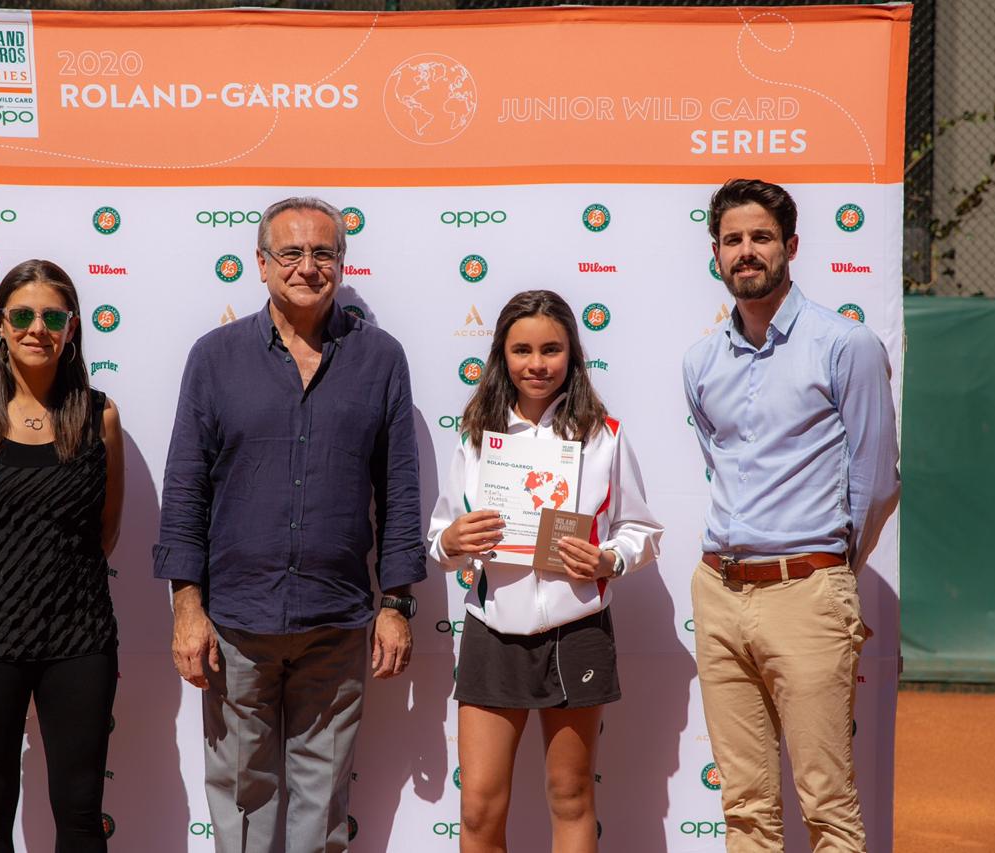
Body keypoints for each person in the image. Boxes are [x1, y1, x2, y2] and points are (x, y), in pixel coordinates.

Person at [153, 196, 427, 853]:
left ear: (341, 262)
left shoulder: (380, 359)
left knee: (322, 808)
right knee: (242, 800)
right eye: (292, 253)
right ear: (262, 264)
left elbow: (400, 489)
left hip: (335, 622)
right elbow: (186, 485)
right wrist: (186, 605)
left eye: (323, 252)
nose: (308, 266)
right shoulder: (214, 357)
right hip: (236, 624)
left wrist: (396, 603)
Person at [682, 178, 900, 851]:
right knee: (745, 805)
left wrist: (829, 571)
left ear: (791, 246)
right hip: (718, 593)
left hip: (807, 591)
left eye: (761, 237)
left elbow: (876, 482)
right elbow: (717, 466)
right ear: (716, 252)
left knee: (827, 803)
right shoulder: (701, 360)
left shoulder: (846, 345)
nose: (746, 251)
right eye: (733, 240)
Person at [428, 290, 663, 853]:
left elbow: (642, 531)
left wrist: (610, 558)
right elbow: (441, 534)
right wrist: (452, 542)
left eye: (551, 349)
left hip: (577, 632)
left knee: (572, 796)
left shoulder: (603, 433)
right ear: (501, 356)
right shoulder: (476, 434)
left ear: (572, 354)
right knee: (480, 806)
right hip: (491, 630)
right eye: (522, 350)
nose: (537, 364)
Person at [0, 259, 125, 852]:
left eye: (52, 316)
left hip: (80, 639)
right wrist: (0, 591)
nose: (36, 327)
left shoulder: (100, 417)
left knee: (79, 810)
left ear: (71, 329)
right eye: (21, 314)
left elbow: (106, 529)